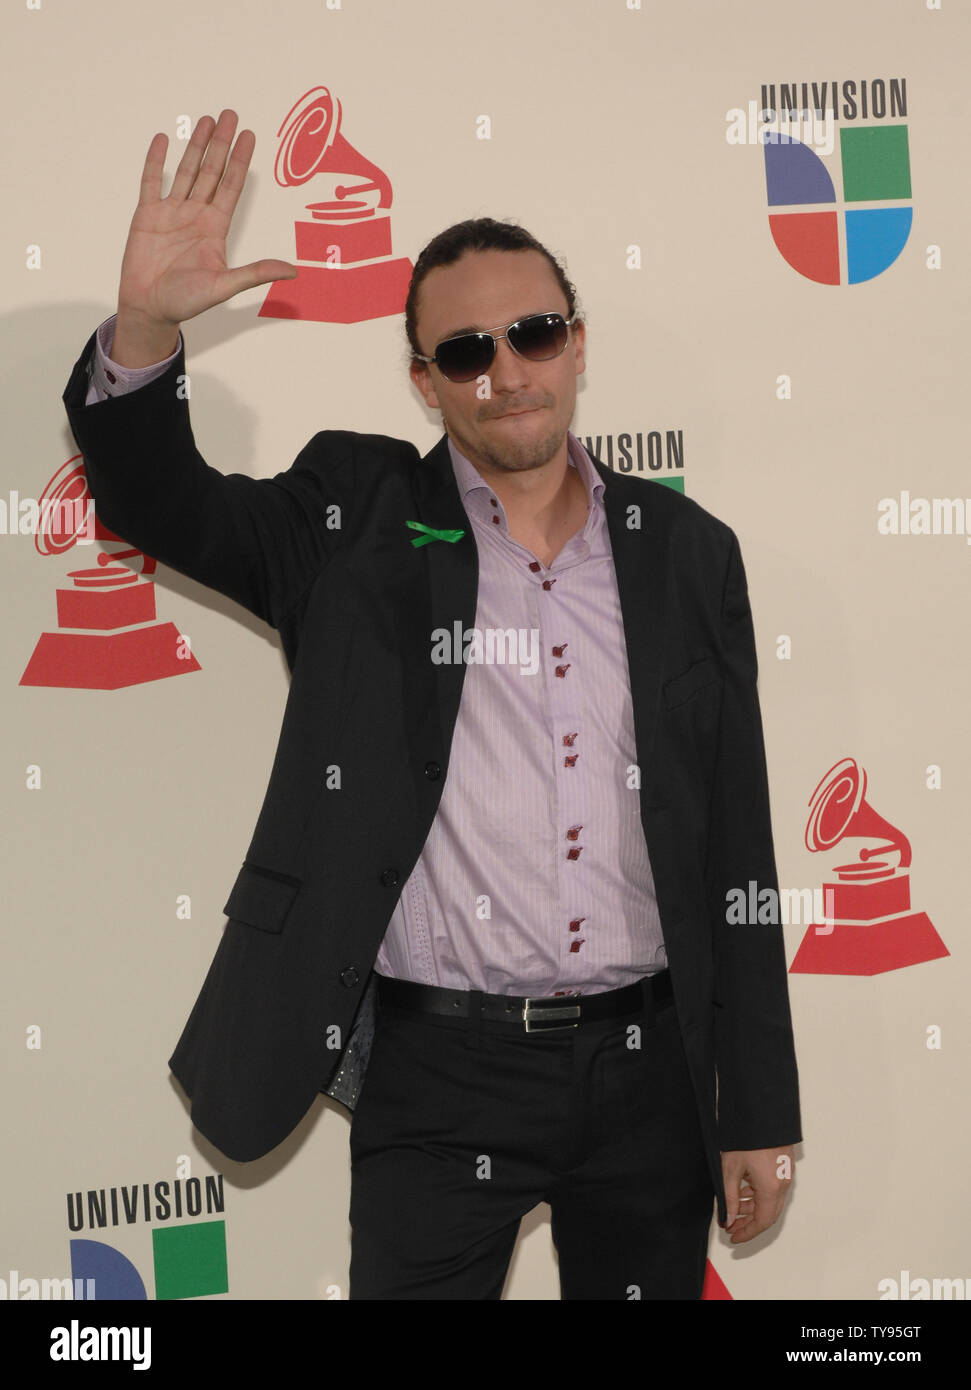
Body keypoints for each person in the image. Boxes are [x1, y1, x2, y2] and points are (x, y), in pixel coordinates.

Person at [62, 109, 802, 1300]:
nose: (505, 370)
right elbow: (167, 505)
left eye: (534, 333)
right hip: (437, 1071)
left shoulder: (683, 550)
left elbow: (737, 835)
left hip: (649, 1066)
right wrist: (145, 328)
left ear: (575, 344)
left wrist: (753, 1103)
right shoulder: (351, 520)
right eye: (464, 352)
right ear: (423, 381)